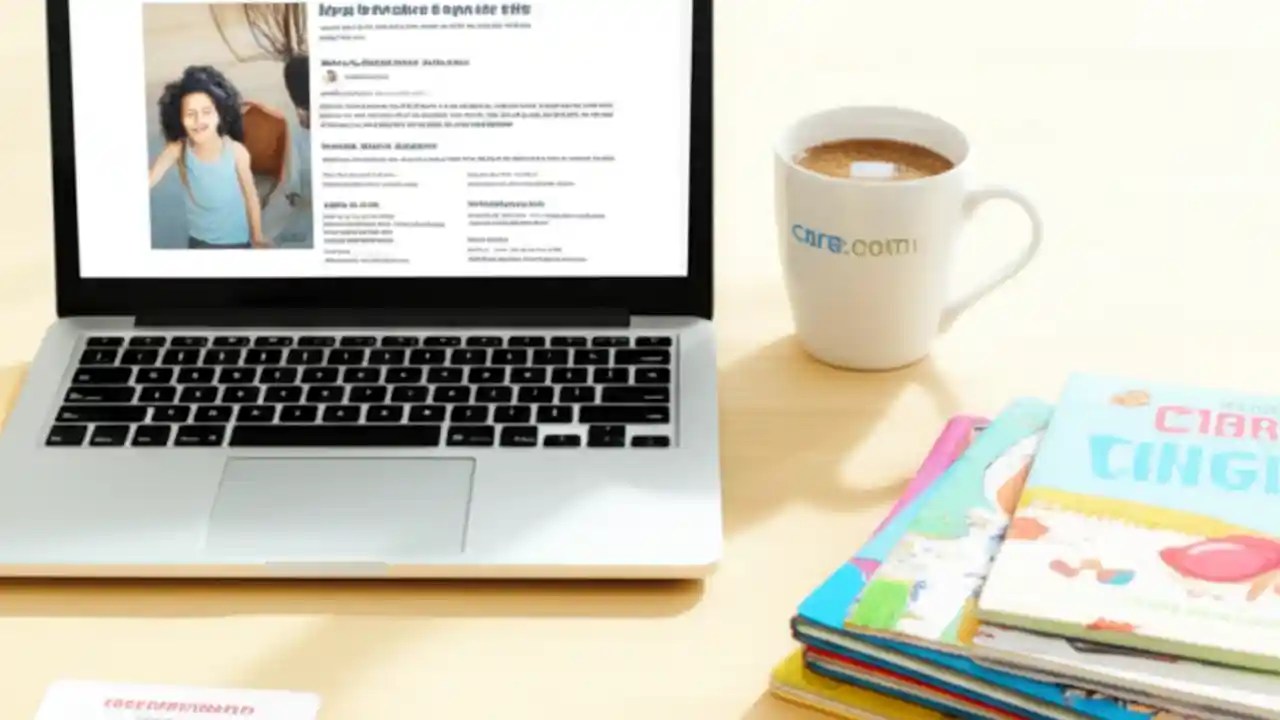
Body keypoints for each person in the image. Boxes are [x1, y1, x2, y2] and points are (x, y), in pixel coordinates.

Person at [148, 65, 266, 249]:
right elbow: (150, 178)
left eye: (206, 112)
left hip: (236, 241)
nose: (199, 121)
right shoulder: (178, 149)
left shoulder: (236, 152)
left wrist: (257, 236)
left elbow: (251, 196)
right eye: (190, 114)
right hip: (199, 241)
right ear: (179, 119)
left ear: (220, 113)